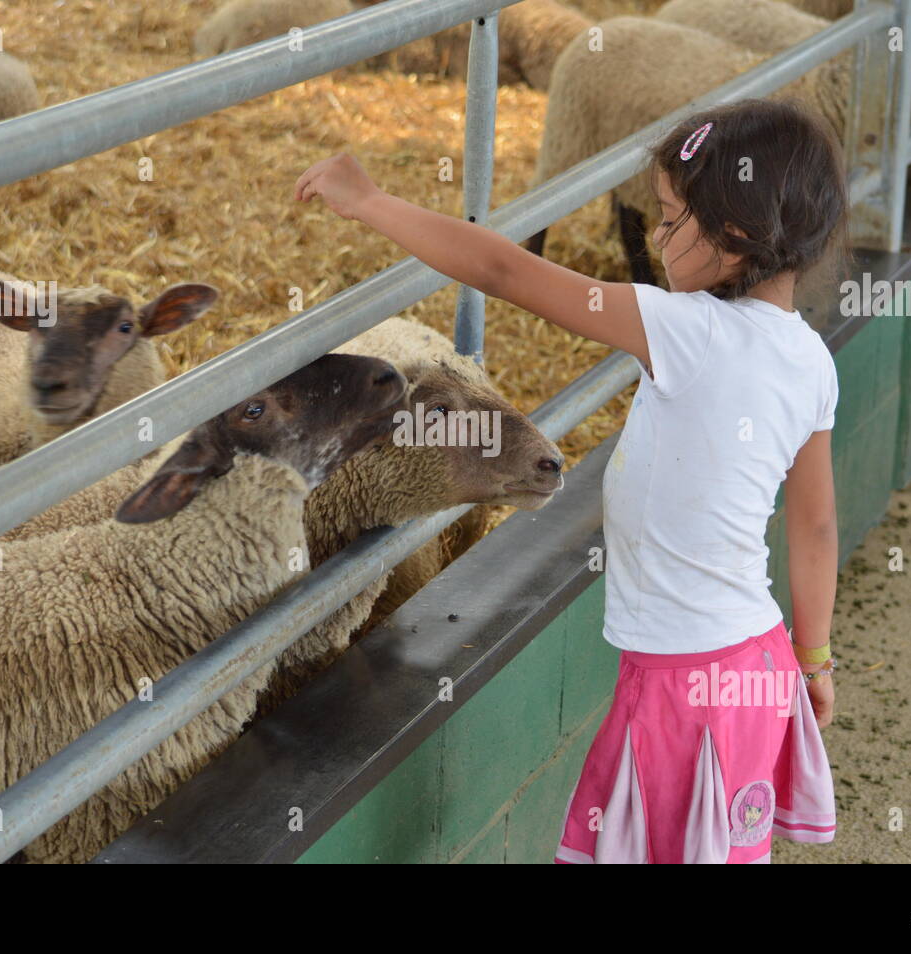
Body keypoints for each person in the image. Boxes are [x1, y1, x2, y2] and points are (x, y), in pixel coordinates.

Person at [295, 98, 842, 864]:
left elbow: (503, 270)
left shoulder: (683, 329)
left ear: (735, 237)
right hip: (759, 663)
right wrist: (813, 659)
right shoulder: (811, 359)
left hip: (682, 686)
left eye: (670, 219)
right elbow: (815, 525)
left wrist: (371, 200)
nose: (656, 238)